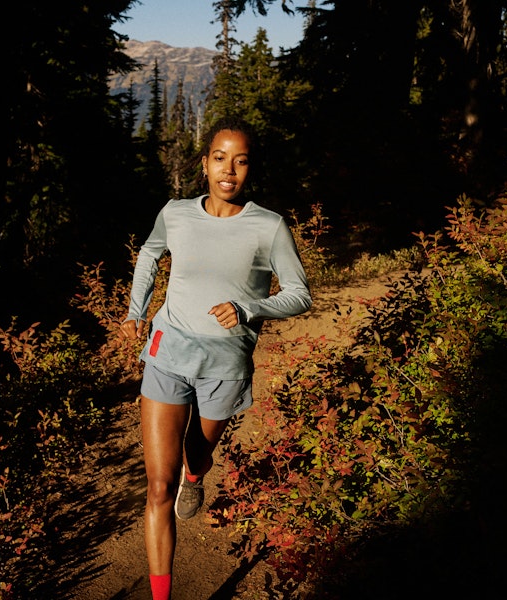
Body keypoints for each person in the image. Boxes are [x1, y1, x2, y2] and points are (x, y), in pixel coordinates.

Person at [119, 116, 312, 600]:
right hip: (168, 349)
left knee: (197, 452)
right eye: (220, 158)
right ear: (204, 164)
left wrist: (250, 307)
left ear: (250, 169)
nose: (230, 170)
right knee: (159, 488)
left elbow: (300, 294)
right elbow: (149, 253)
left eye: (241, 161)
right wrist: (135, 311)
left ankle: (196, 473)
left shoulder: (268, 227)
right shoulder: (176, 212)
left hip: (225, 367)